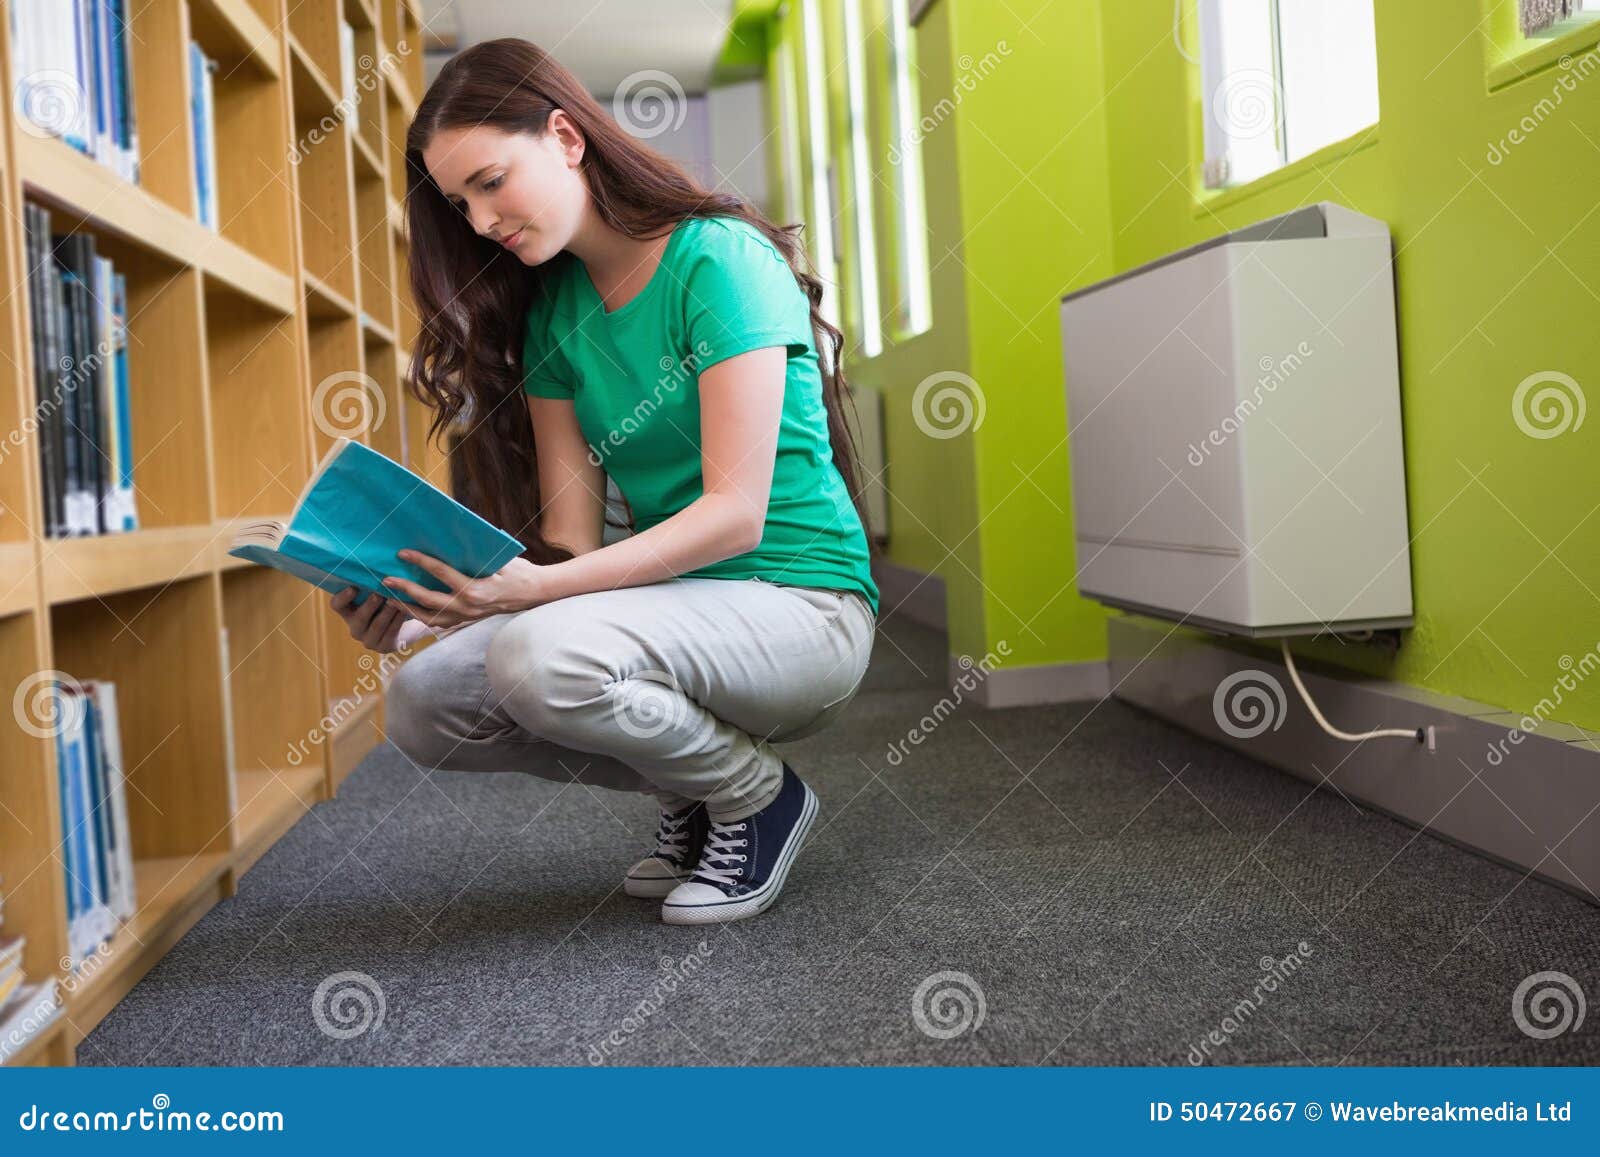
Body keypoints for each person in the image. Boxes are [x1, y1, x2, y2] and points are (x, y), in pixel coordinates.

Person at [328, 38, 880, 926]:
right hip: (675, 611)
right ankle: (688, 779)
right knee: (424, 702)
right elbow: (570, 544)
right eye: (460, 203)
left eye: (491, 182)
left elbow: (734, 518)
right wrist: (437, 604)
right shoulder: (555, 311)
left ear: (565, 136)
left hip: (801, 609)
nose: (480, 222)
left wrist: (529, 598)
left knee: (540, 656)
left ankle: (753, 794)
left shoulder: (720, 259)